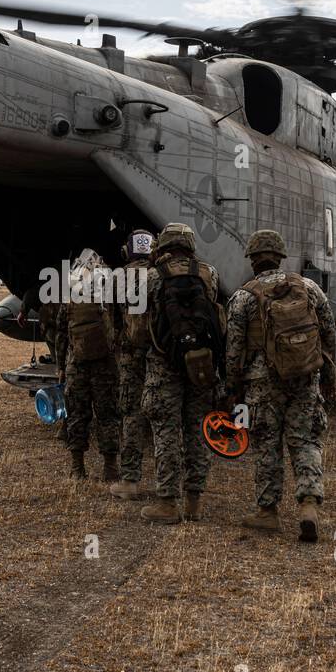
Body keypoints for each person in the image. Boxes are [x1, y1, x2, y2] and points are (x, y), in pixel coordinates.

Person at [224, 229, 336, 542]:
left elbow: (233, 350)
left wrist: (233, 387)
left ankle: (267, 512)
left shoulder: (244, 296)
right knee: (306, 440)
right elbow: (329, 331)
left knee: (266, 445)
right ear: (280, 256)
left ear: (252, 260)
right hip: (304, 376)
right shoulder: (309, 288)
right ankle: (309, 505)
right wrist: (326, 371)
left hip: (262, 384)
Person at [140, 223, 224, 524]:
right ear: (190, 246)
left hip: (164, 364)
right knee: (197, 430)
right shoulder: (208, 274)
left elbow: (138, 325)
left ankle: (167, 502)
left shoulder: (151, 278)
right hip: (201, 363)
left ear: (162, 247)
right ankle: (194, 501)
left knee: (166, 431)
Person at [55, 249, 120, 480]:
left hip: (77, 363)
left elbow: (61, 332)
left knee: (77, 414)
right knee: (108, 415)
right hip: (106, 365)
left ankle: (77, 468)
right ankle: (110, 468)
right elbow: (119, 328)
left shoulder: (70, 296)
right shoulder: (110, 296)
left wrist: (61, 366)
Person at [109, 227, 155, 500]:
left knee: (131, 415)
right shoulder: (159, 276)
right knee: (166, 418)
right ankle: (170, 486)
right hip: (159, 356)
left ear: (127, 251)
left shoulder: (117, 277)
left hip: (128, 355)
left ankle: (130, 480)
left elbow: (112, 316)